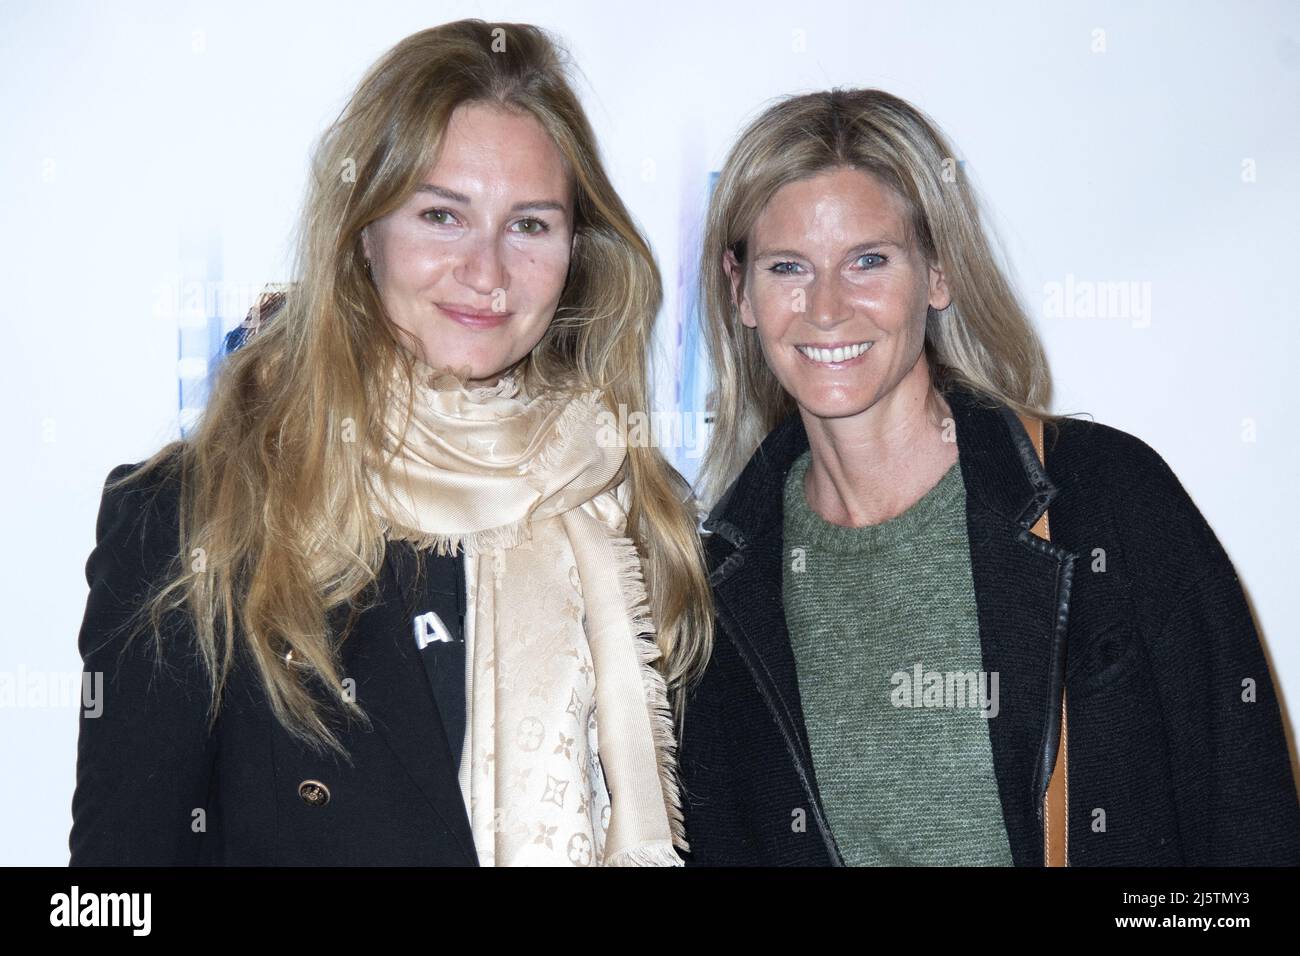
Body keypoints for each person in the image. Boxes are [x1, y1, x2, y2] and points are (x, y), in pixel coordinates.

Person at [69, 19, 710, 867]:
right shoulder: (198, 515)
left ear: (577, 253)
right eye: (442, 215)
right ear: (363, 232)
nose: (486, 273)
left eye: (530, 226)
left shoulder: (629, 504)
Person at [677, 87, 1300, 866]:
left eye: (868, 260)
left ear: (937, 275)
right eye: (788, 267)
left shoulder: (1106, 498)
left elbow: (1251, 828)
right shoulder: (718, 590)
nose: (827, 307)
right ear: (740, 291)